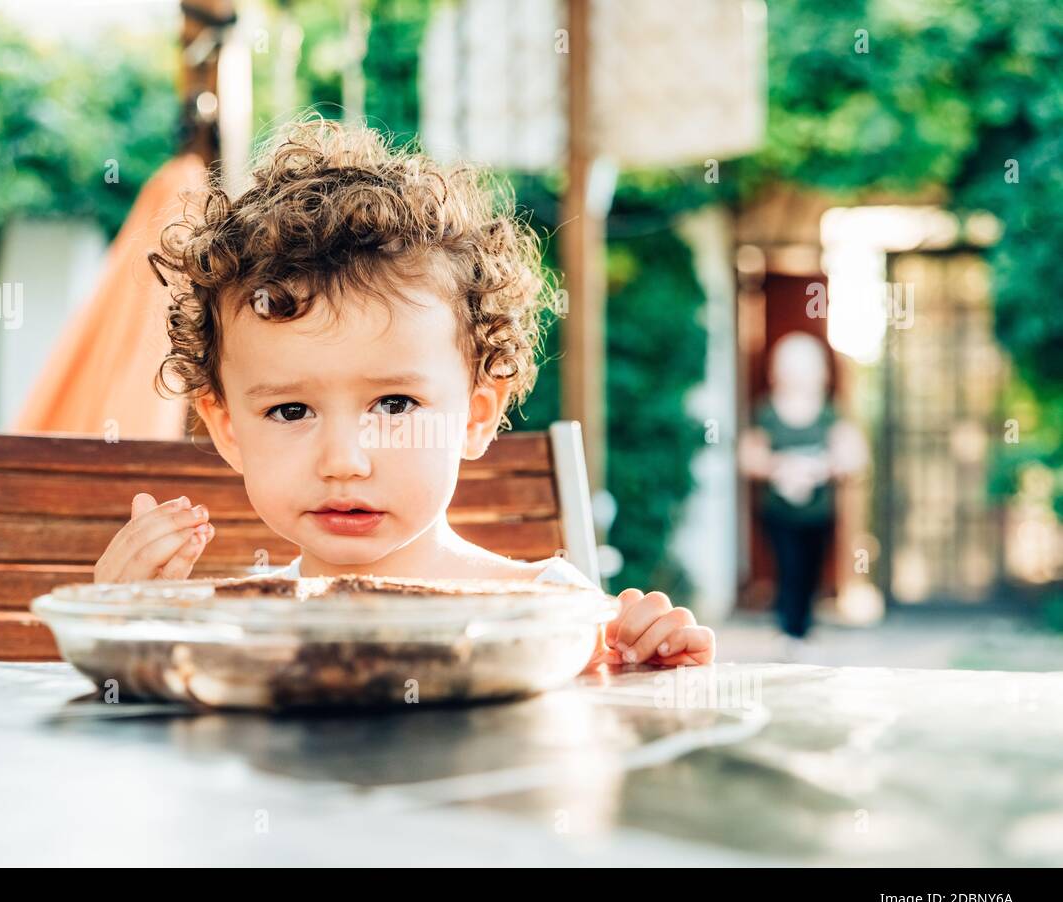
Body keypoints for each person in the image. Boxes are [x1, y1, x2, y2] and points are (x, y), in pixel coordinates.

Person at [92, 117, 715, 670]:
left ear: (475, 416)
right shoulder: (235, 632)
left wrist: (646, 662)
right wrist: (121, 632)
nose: (343, 461)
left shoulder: (554, 614)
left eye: (394, 405)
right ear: (228, 428)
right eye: (289, 410)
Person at [738, 332, 868, 649]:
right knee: (788, 566)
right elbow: (748, 457)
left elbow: (854, 455)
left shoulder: (829, 413)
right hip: (780, 512)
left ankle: (803, 626)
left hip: (818, 512)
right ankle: (789, 626)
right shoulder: (766, 412)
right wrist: (779, 466)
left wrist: (822, 467)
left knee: (810, 568)